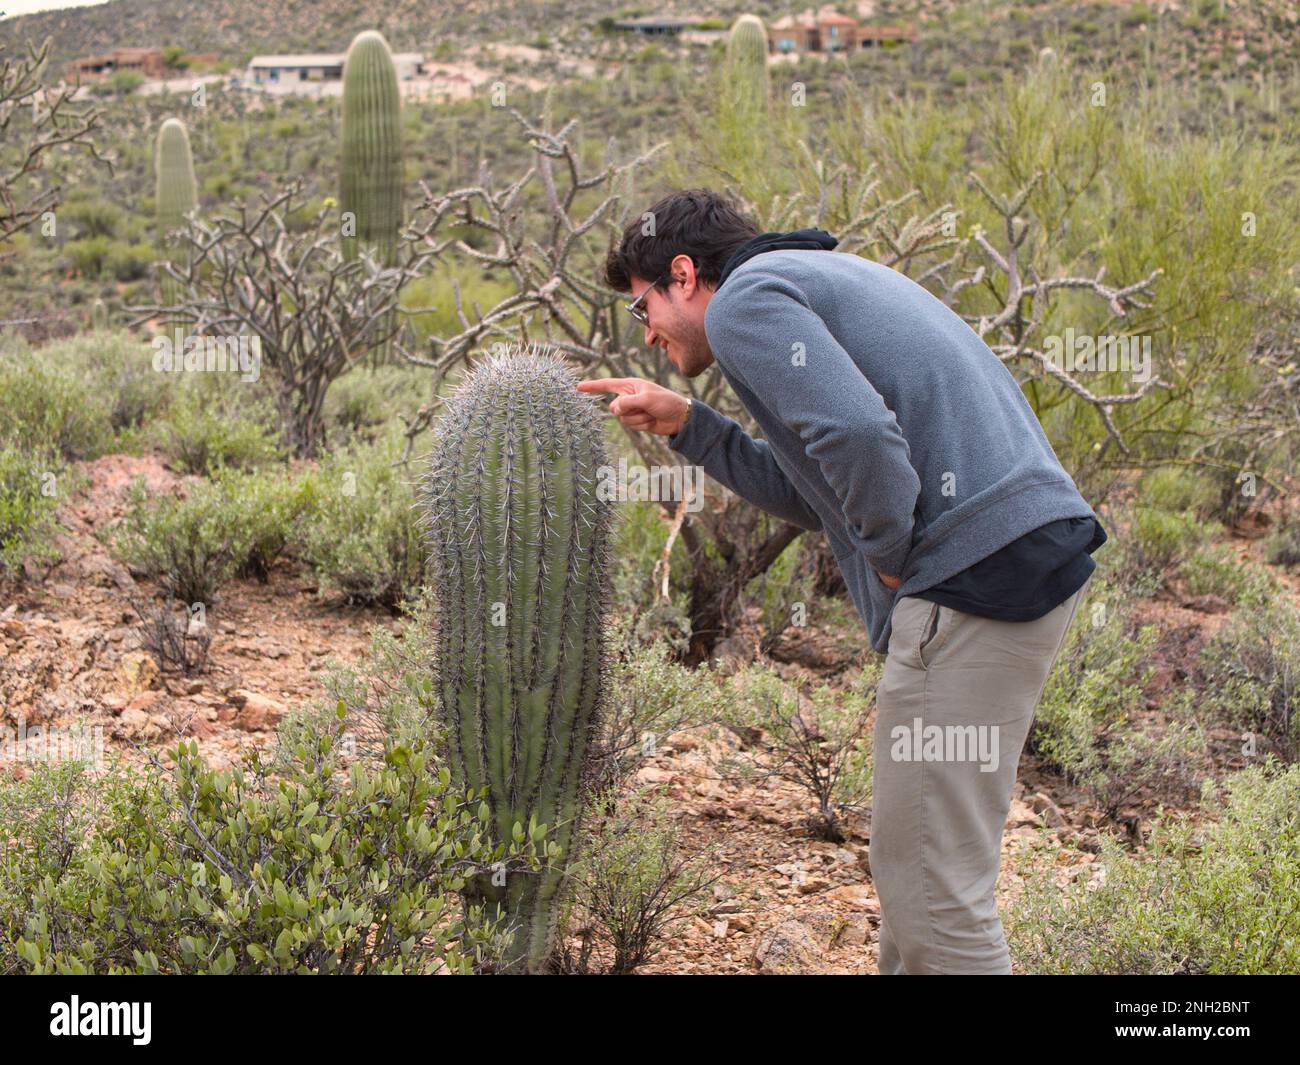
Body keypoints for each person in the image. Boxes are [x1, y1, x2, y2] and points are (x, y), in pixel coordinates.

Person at [578, 188, 1107, 975]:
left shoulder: (746, 303)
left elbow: (859, 435)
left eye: (643, 307)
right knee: (919, 883)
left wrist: (890, 551)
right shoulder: (805, 277)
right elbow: (816, 486)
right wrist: (693, 427)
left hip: (967, 577)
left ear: (683, 274)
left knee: (934, 900)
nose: (647, 331)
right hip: (1022, 553)